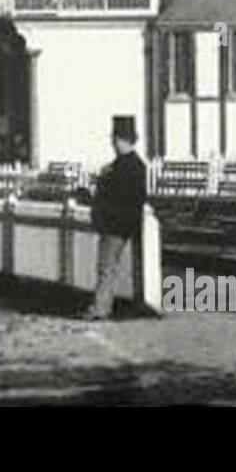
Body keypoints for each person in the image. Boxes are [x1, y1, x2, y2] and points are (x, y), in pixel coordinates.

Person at [80, 117, 147, 321]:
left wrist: (97, 197)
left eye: (115, 139)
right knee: (112, 267)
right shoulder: (134, 165)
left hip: (115, 223)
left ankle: (101, 308)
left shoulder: (122, 167)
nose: (113, 143)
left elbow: (118, 195)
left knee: (106, 267)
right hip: (126, 223)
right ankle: (110, 305)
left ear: (121, 140)